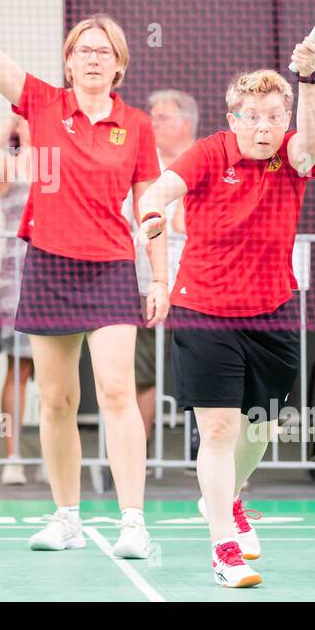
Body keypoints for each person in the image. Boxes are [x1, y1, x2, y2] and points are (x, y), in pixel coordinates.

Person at [0, 0, 168, 558]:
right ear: (69, 62)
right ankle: (67, 517)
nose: (94, 59)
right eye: (84, 50)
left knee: (115, 391)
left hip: (110, 269)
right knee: (55, 398)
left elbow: (151, 208)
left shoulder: (137, 126)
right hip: (49, 265)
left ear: (119, 65)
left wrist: (159, 278)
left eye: (105, 52)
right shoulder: (43, 104)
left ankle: (133, 522)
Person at [136, 55, 315, 588]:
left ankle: (229, 498)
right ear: (233, 119)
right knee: (218, 429)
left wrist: (309, 79)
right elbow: (157, 193)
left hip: (271, 311)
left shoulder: (291, 154)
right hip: (203, 309)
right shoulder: (209, 153)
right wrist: (150, 217)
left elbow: (311, 142)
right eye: (252, 117)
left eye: (274, 117)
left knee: (260, 427)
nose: (264, 127)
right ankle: (223, 548)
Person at [125, 89, 198, 441]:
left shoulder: (206, 159)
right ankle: (138, 450)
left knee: (204, 368)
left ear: (186, 123)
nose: (153, 125)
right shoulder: (142, 164)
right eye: (151, 118)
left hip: (198, 288)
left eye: (163, 118)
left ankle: (203, 450)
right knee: (142, 372)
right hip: (146, 285)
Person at [0, 116, 34, 484]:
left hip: (59, 276)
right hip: (17, 279)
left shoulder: (58, 162)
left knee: (56, 374)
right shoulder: (10, 168)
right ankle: (12, 455)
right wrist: (15, 117)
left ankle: (54, 455)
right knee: (18, 369)